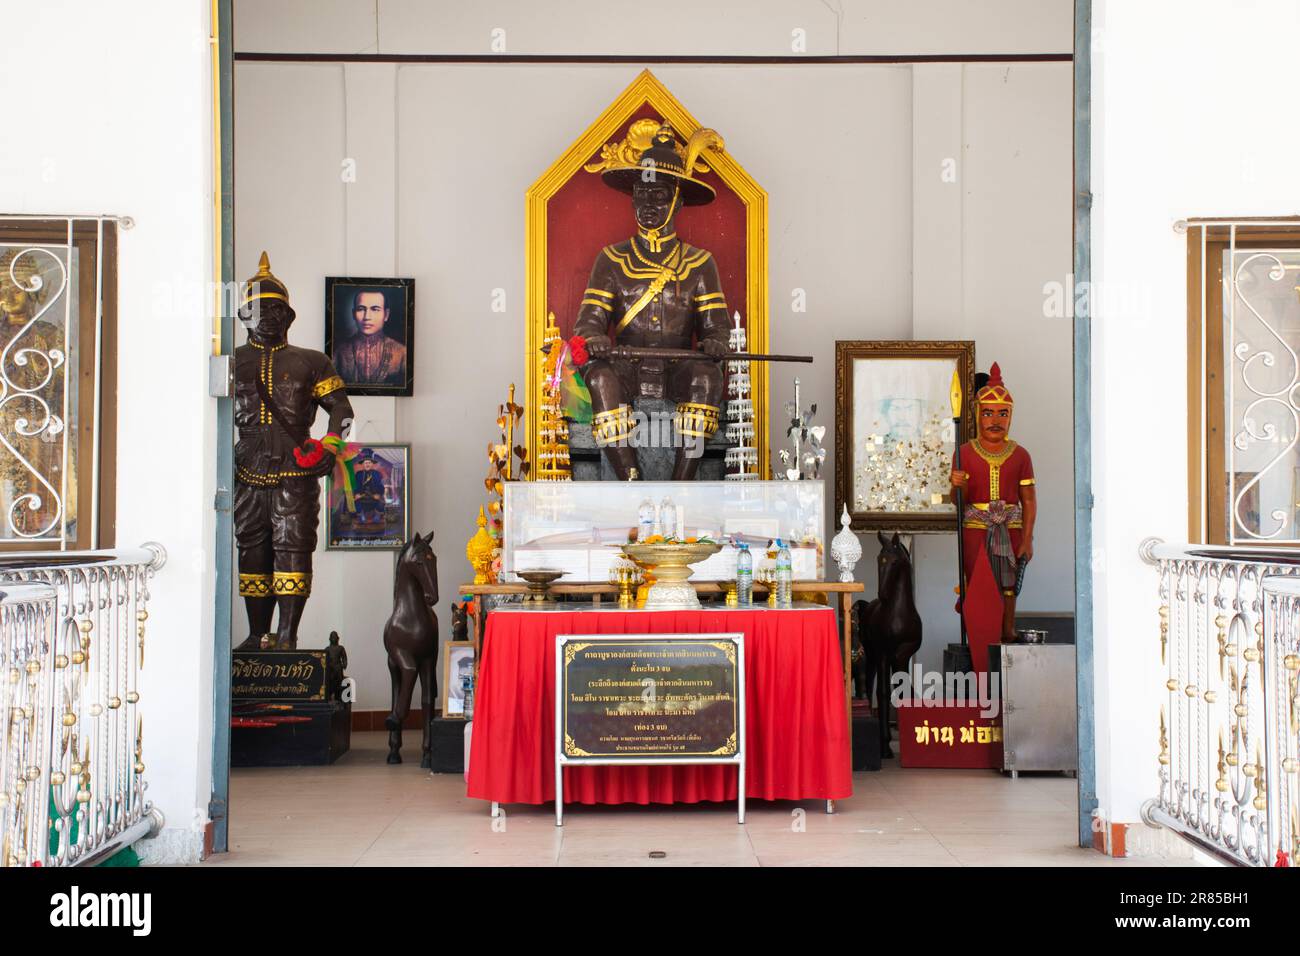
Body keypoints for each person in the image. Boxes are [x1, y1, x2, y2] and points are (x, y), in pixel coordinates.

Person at [573, 123, 730, 480]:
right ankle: (630, 478)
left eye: (658, 196)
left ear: (677, 201)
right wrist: (596, 340)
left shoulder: (699, 263)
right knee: (600, 379)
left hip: (680, 365)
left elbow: (716, 327)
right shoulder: (612, 259)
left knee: (707, 377)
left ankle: (682, 482)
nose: (648, 205)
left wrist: (716, 343)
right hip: (626, 365)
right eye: (642, 195)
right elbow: (587, 324)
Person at [234, 252, 353, 650]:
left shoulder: (311, 362)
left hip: (296, 470)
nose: (267, 316)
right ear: (243, 316)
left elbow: (341, 409)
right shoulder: (230, 362)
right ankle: (256, 634)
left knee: (293, 546)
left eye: (276, 310)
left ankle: (287, 636)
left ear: (290, 317)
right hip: (246, 468)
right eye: (257, 309)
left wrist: (330, 446)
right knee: (252, 547)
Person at [950, 363, 1037, 668]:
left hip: (1009, 530)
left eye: (1002, 413)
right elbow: (957, 503)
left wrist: (1027, 538)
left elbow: (1028, 499)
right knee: (977, 586)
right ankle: (980, 641)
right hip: (976, 529)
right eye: (988, 413)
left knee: (1009, 585)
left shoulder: (1021, 455)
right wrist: (956, 486)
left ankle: (1007, 633)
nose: (995, 421)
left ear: (1010, 416)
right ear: (977, 415)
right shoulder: (965, 453)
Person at [334, 288, 407, 387]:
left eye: (375, 309)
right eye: (361, 309)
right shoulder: (339, 352)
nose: (367, 316)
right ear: (353, 314)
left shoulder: (402, 353)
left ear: (386, 315)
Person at [352, 448, 386, 528]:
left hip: (374, 497)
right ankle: (360, 524)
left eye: (369, 462)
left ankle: (379, 523)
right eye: (365, 463)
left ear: (372, 464)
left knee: (381, 506)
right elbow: (355, 485)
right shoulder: (358, 474)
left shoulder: (377, 474)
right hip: (362, 497)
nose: (367, 464)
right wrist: (356, 494)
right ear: (363, 464)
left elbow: (381, 486)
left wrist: (378, 494)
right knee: (356, 509)